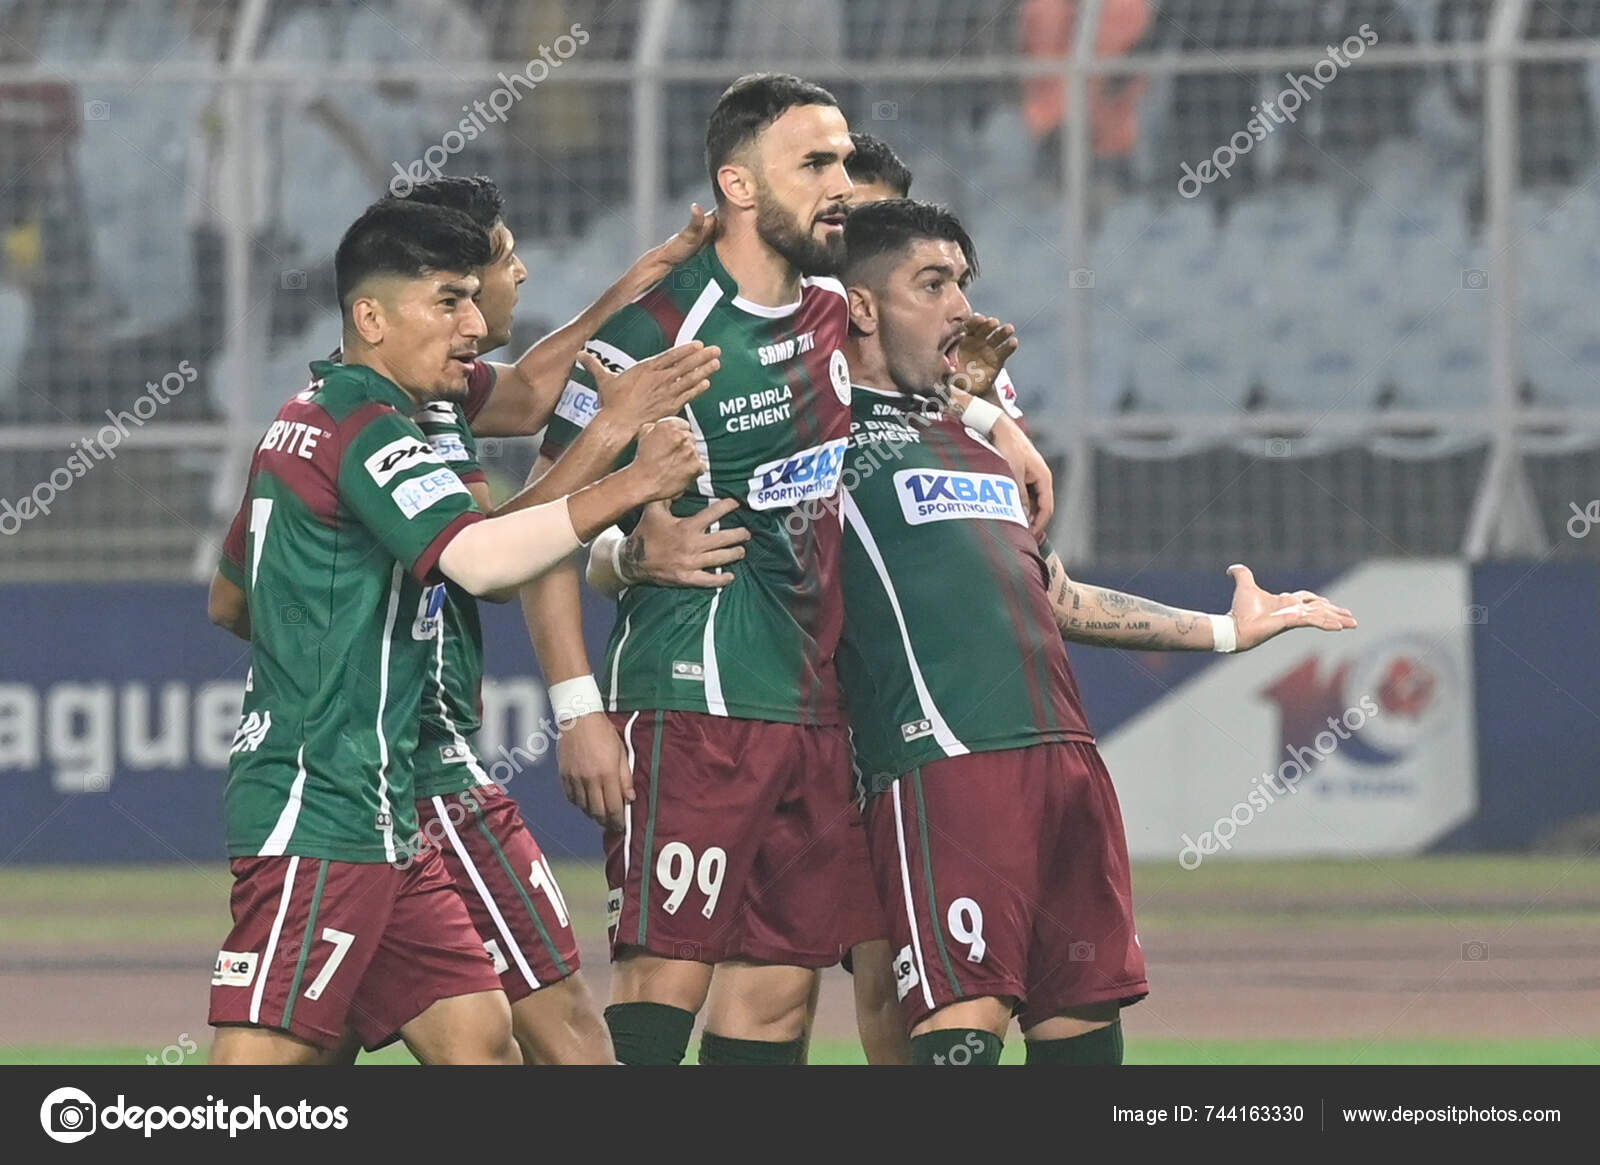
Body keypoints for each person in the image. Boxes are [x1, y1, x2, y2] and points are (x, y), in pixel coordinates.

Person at [594, 198, 1357, 1064]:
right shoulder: (821, 438)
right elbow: (664, 509)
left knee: (1084, 1017)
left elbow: (1054, 594)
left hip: (1067, 759)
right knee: (963, 1017)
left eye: (963, 280)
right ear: (865, 308)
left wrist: (1223, 631)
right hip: (944, 768)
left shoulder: (977, 440)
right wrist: (622, 556)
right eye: (933, 282)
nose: (962, 304)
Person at [209, 177, 721, 1063]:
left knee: (480, 1038)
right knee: (265, 1070)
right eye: (452, 301)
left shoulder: (336, 419)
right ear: (373, 318)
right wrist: (628, 473)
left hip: (385, 803)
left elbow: (231, 598)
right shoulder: (364, 430)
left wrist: (333, 622)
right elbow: (483, 560)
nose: (477, 320)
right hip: (324, 793)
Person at [519, 73, 864, 1066]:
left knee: (778, 1000)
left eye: (843, 158)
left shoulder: (845, 314)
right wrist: (578, 704)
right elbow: (535, 529)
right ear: (739, 185)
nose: (841, 182)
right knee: (665, 973)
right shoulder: (650, 334)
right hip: (691, 699)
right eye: (816, 162)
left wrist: (992, 424)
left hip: (813, 705)